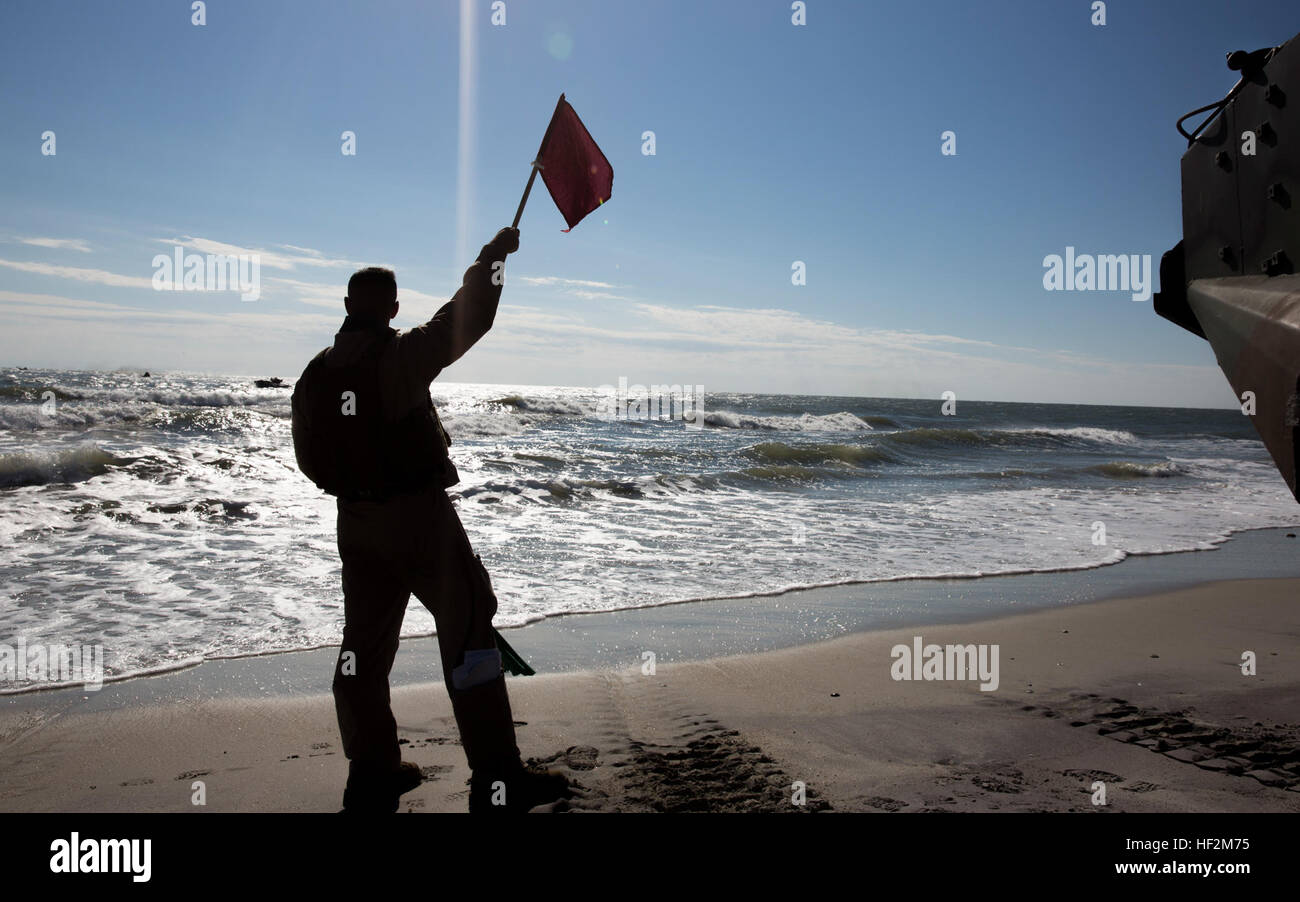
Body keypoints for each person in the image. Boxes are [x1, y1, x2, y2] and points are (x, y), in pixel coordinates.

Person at [290, 227, 567, 813]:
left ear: (346, 307)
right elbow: (465, 320)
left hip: (356, 525)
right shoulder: (400, 356)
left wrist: (358, 493)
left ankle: (372, 773)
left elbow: (308, 459)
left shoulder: (314, 375)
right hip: (418, 520)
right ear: (391, 308)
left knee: (361, 650)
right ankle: (497, 782)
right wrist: (492, 259)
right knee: (468, 635)